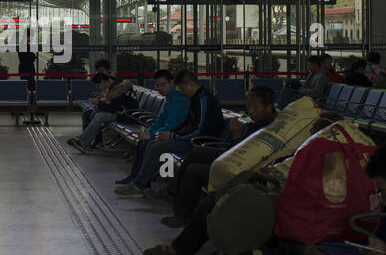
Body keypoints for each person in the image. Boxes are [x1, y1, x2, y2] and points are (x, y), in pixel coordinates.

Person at [157, 85, 278, 234]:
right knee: (197, 152)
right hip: (231, 154)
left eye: (256, 107)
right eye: (249, 106)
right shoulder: (254, 122)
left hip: (242, 168)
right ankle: (174, 192)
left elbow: (247, 154)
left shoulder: (272, 129)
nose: (251, 110)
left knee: (193, 170)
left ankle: (182, 213)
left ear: (269, 107)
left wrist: (236, 135)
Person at [115, 70, 224, 196]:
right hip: (190, 138)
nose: (181, 92)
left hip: (200, 143)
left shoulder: (201, 100)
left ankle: (139, 185)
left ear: (190, 85)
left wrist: (171, 135)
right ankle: (140, 181)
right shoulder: (194, 98)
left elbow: (197, 129)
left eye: (182, 89)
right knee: (152, 144)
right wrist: (163, 134)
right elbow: (183, 123)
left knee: (156, 146)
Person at [116, 70, 188, 188]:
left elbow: (172, 123)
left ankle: (140, 181)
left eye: (163, 85)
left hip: (176, 135)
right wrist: (150, 131)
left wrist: (152, 134)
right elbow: (161, 119)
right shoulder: (170, 96)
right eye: (157, 86)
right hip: (170, 133)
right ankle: (135, 176)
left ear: (171, 82)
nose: (160, 88)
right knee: (143, 143)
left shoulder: (178, 98)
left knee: (149, 143)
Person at [70, 73, 134, 153]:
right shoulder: (113, 86)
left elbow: (112, 108)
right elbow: (112, 106)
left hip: (127, 115)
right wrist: (99, 105)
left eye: (98, 85)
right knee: (93, 114)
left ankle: (82, 141)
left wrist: (99, 103)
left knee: (100, 116)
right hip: (120, 112)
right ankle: (88, 143)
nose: (98, 88)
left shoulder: (118, 89)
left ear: (103, 81)